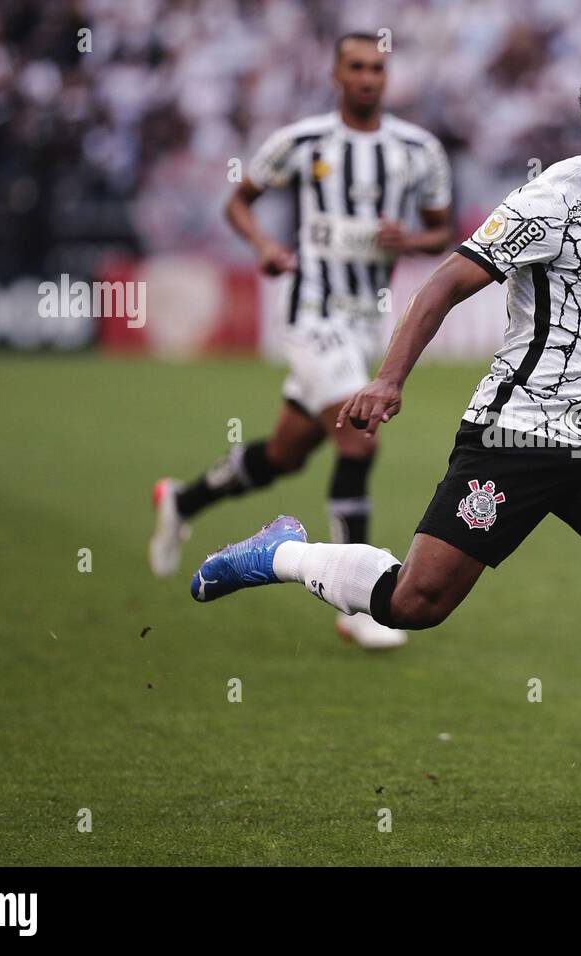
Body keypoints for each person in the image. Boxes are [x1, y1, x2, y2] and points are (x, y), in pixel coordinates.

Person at [189, 40, 581, 841]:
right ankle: (280, 552)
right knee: (415, 603)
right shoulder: (546, 201)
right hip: (514, 441)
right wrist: (388, 379)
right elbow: (449, 278)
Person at [150, 32, 453, 650]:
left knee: (287, 454)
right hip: (310, 315)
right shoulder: (302, 141)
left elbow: (442, 229)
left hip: (365, 321)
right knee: (358, 440)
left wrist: (412, 242)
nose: (368, 78)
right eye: (357, 68)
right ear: (337, 75)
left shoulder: (417, 150)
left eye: (377, 68)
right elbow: (240, 202)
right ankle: (358, 607)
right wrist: (263, 247)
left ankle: (182, 499)